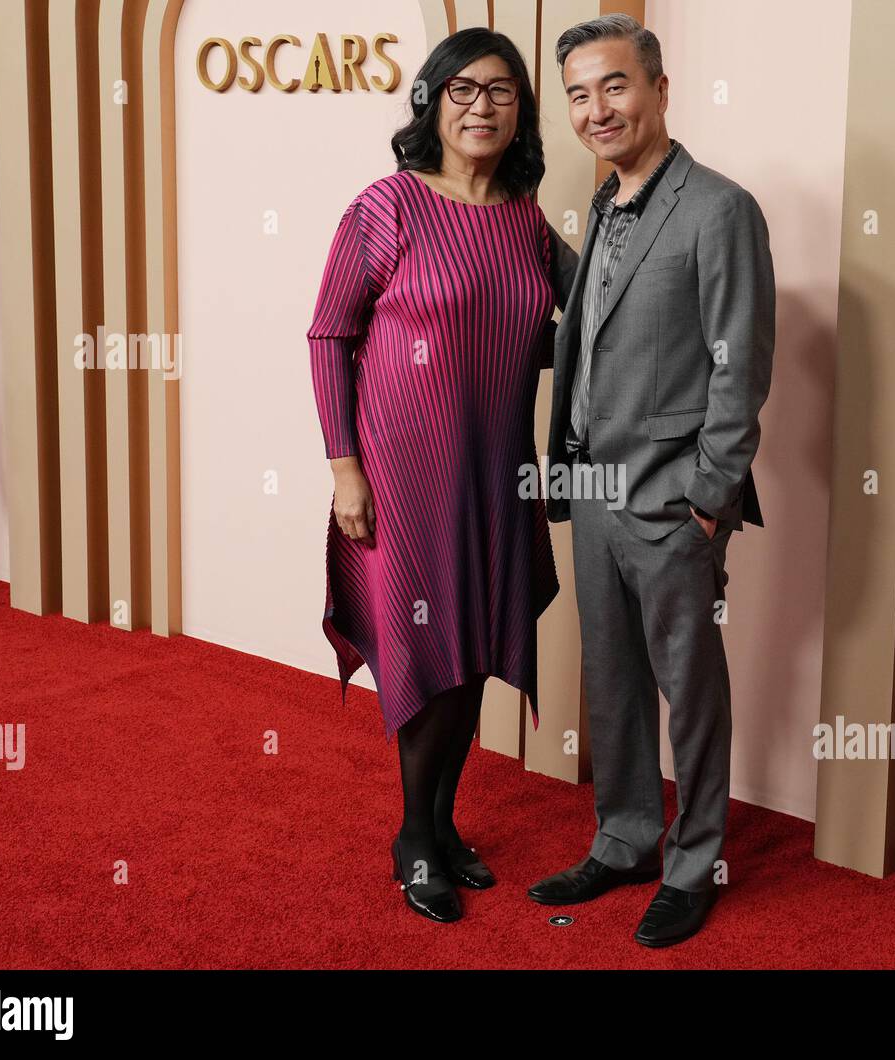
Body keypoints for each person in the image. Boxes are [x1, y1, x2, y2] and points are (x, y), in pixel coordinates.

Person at [306, 28, 579, 924]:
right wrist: (345, 471)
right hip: (403, 470)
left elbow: (588, 319)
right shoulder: (385, 206)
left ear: (521, 111)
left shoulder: (528, 219)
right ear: (431, 101)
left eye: (501, 91)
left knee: (473, 655)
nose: (480, 106)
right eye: (460, 89)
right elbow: (329, 337)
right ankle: (413, 839)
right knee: (431, 651)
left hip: (498, 470)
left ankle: (441, 822)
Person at [526, 14, 775, 947]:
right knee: (614, 681)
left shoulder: (719, 209)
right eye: (580, 95)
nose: (598, 110)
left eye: (615, 87)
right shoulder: (599, 207)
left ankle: (694, 858)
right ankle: (626, 837)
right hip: (593, 495)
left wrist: (706, 504)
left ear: (661, 89)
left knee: (690, 687)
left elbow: (738, 368)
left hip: (673, 504)